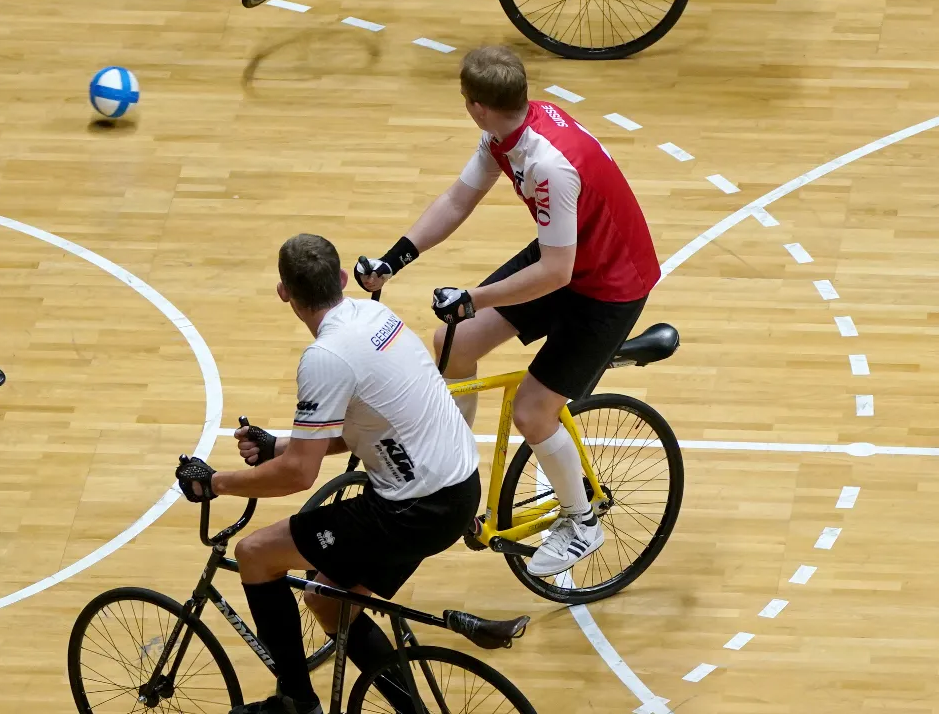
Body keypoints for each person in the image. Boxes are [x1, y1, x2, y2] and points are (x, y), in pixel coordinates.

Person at [355, 46, 658, 576]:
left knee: (531, 411)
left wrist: (475, 296)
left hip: (609, 283)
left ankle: (582, 520)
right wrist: (393, 259)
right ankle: (455, 470)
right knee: (455, 340)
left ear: (476, 106)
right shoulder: (508, 132)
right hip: (569, 255)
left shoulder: (548, 166)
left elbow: (556, 275)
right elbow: (457, 201)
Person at [175, 234, 480, 714]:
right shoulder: (379, 316)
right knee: (327, 601)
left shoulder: (325, 358)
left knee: (254, 554)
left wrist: (214, 483)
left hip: (409, 510)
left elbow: (299, 475)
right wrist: (280, 444)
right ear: (341, 279)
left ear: (284, 293)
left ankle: (296, 702)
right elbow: (369, 424)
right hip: (460, 489)